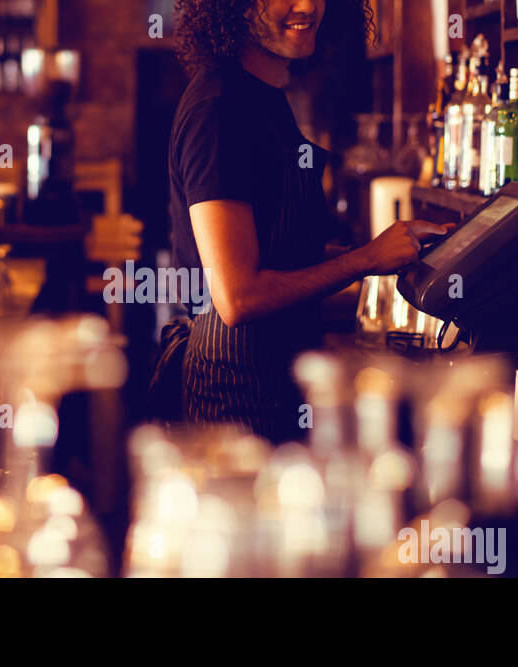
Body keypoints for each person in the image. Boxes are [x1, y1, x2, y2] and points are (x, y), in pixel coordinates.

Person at [164, 0, 452, 442]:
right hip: (233, 388)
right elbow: (237, 297)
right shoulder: (219, 110)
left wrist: (375, 253)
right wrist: (364, 260)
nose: (308, 5)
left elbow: (278, 253)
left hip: (274, 377)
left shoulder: (263, 97)